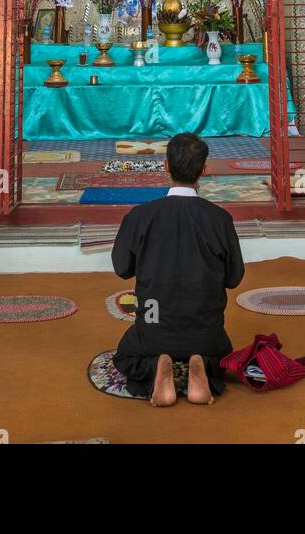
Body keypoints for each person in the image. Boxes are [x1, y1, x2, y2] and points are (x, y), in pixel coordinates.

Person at [111, 131, 245, 406]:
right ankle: (201, 365)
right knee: (224, 358)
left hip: (153, 325)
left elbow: (122, 268)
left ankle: (159, 365)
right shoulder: (220, 219)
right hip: (206, 333)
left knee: (125, 356)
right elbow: (234, 278)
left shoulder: (140, 216)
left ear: (166, 167)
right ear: (204, 170)